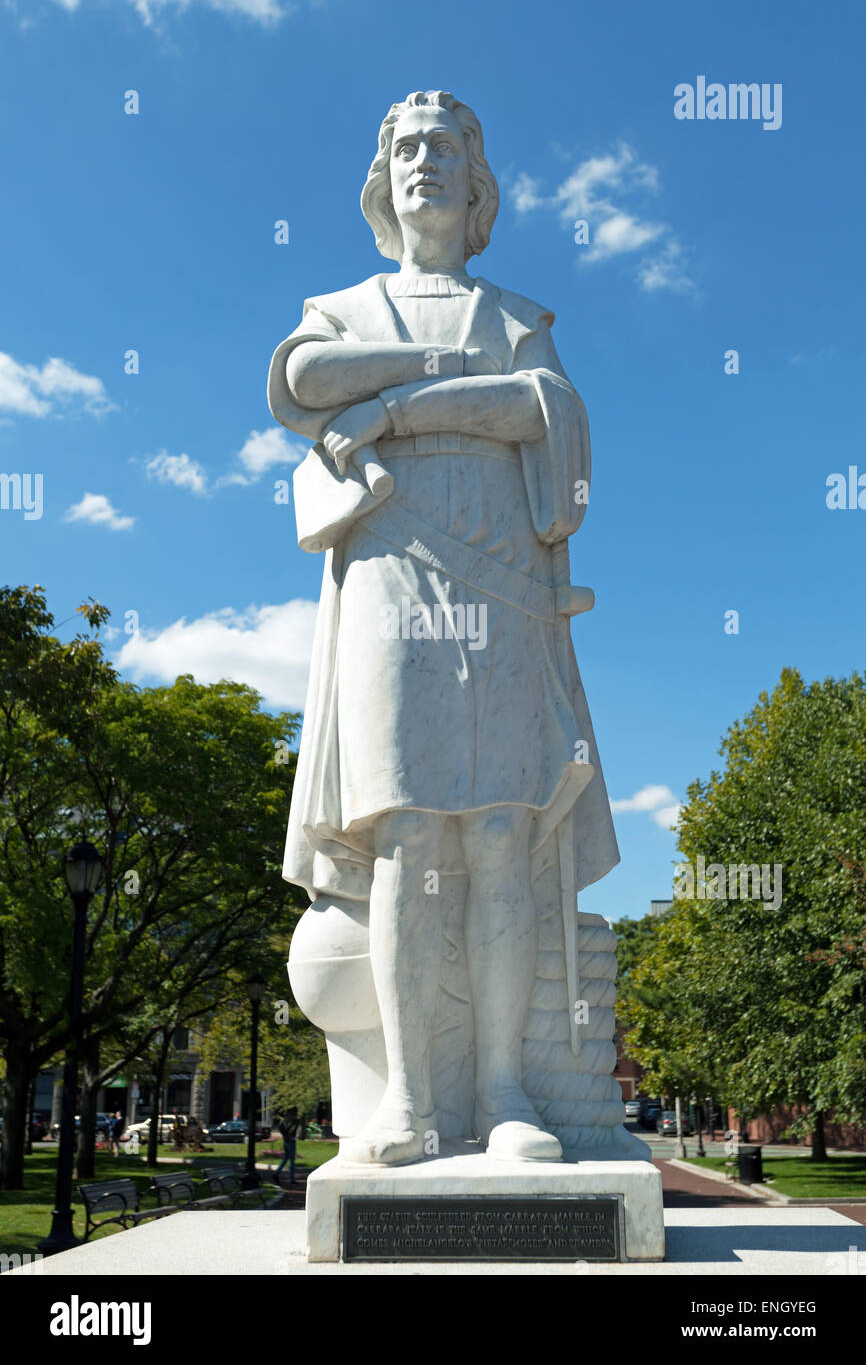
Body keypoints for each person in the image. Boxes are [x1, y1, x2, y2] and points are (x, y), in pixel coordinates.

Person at [269, 90, 620, 1167]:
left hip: (503, 583)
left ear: (477, 185)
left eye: (446, 147)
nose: (425, 161)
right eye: (406, 147)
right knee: (409, 836)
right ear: (385, 179)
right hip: (389, 580)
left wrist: (390, 417)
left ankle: (505, 1091)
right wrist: (435, 379)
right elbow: (299, 382)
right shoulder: (342, 301)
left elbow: (544, 417)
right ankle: (413, 1102)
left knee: (505, 834)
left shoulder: (520, 317)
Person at [273, 1107, 300, 1185]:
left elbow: (280, 1127)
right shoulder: (295, 1119)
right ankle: (291, 1179)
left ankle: (277, 1173)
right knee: (291, 1160)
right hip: (291, 1139)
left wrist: (284, 1135)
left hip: (285, 1140)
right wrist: (288, 1135)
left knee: (285, 1159)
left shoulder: (284, 1119)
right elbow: (293, 1129)